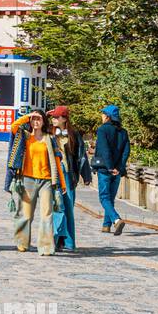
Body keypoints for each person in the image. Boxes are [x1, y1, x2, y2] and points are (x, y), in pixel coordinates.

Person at [5, 109, 70, 256]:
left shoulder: (50, 138)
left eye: (38, 119)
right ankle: (22, 242)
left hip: (46, 180)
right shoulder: (25, 137)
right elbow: (14, 127)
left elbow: (57, 162)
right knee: (26, 214)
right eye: (33, 119)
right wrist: (28, 115)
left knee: (47, 214)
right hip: (27, 179)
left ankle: (46, 247)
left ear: (43, 122)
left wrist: (61, 184)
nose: (35, 121)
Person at [48, 106, 91, 252]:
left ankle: (68, 242)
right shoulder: (49, 133)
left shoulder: (74, 135)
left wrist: (86, 175)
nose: (53, 119)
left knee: (68, 208)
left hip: (68, 175)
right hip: (53, 175)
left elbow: (81, 156)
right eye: (52, 117)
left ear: (64, 119)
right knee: (56, 207)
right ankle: (55, 240)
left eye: (56, 117)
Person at [93, 103, 131, 235]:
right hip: (117, 171)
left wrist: (110, 168)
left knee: (104, 197)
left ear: (108, 117)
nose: (101, 116)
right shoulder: (123, 132)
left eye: (103, 114)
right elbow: (126, 151)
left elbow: (104, 150)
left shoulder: (103, 129)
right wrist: (119, 167)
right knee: (110, 198)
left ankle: (116, 219)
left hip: (105, 169)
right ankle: (106, 225)